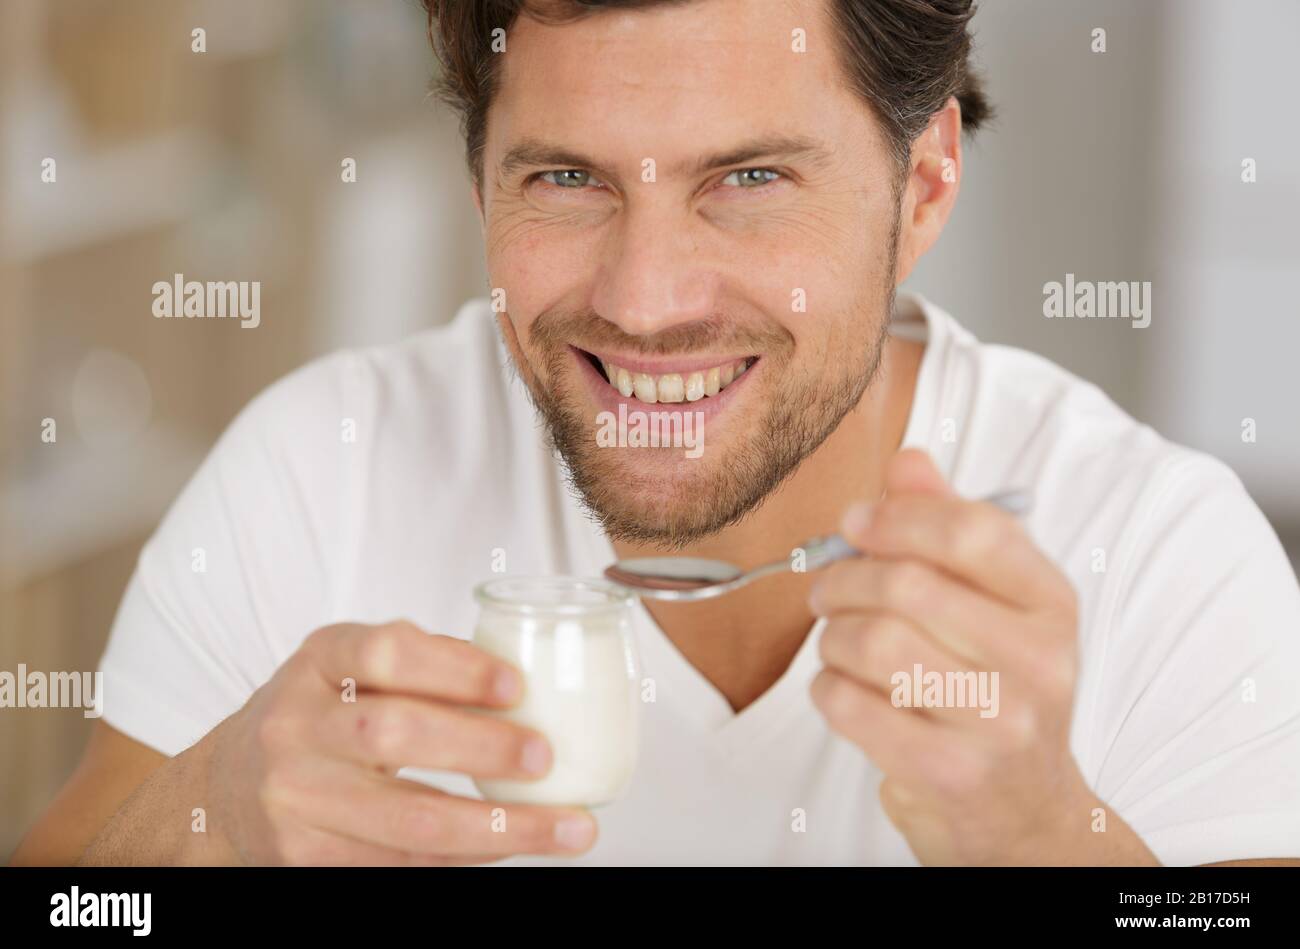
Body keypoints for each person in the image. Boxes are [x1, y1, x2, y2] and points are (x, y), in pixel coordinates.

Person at [13, 0, 1300, 866]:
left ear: (923, 187)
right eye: (566, 178)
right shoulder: (317, 465)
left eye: (748, 180)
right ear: (481, 185)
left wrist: (1046, 833)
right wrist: (208, 819)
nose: (642, 301)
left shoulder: (1158, 554)